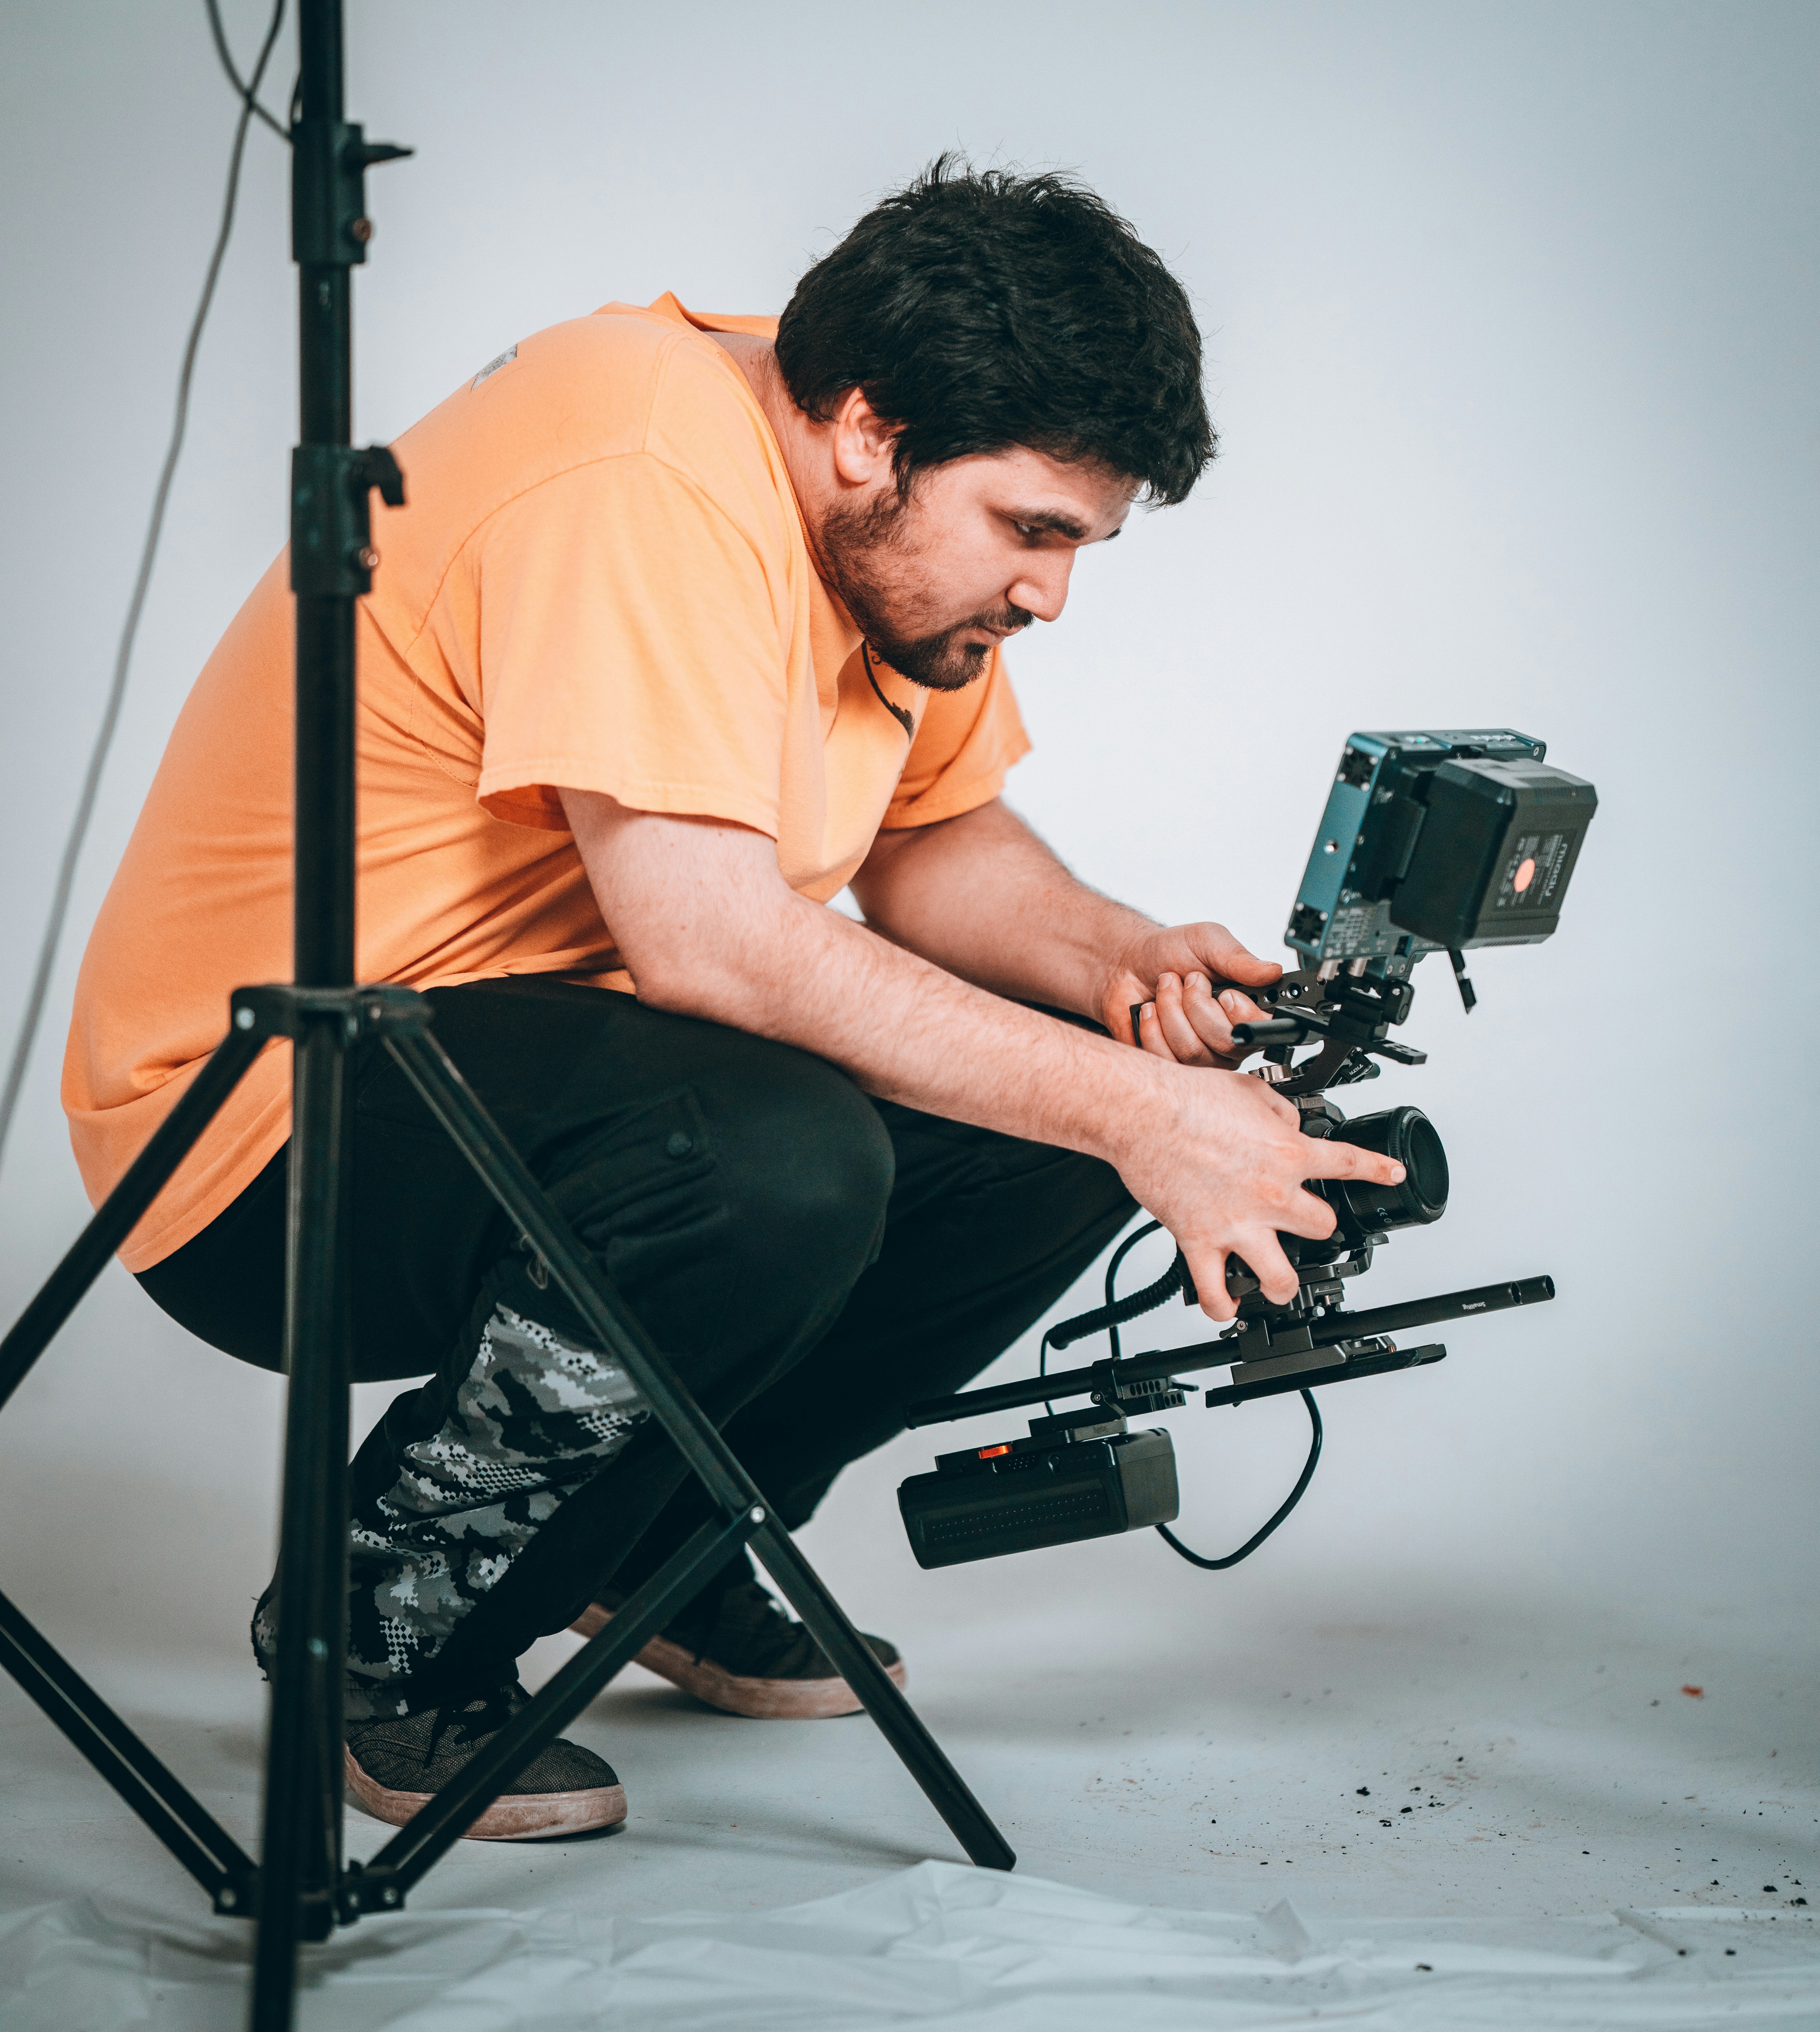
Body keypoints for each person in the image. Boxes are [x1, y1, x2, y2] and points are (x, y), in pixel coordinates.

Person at [63, 158, 1403, 1841]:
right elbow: (714, 942)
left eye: (1082, 542)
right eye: (1034, 528)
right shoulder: (642, 468)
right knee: (776, 1149)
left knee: (1060, 1105)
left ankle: (643, 1549)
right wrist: (1155, 1113)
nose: (1053, 590)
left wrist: (1123, 977)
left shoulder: (873, 544)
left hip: (551, 1077)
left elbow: (930, 849)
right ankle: (385, 1618)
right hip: (262, 1126)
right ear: (868, 428)